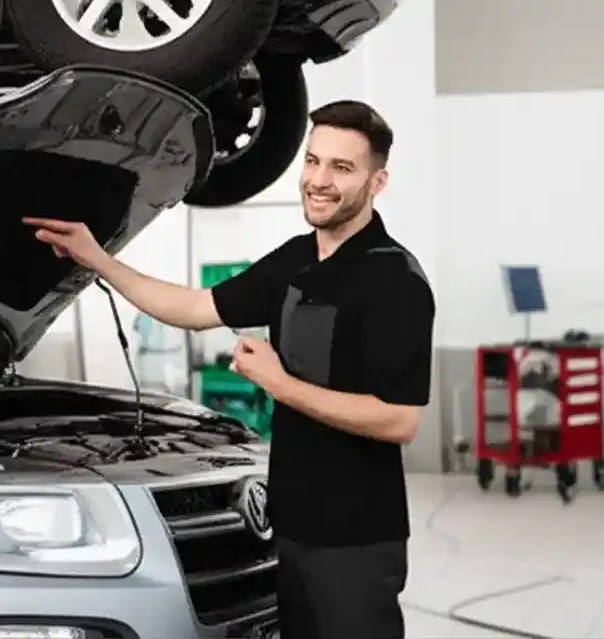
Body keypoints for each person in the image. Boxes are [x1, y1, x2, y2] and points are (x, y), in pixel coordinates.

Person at [23, 100, 435, 639]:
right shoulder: (296, 259)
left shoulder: (396, 279)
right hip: (288, 529)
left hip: (355, 540)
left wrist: (280, 385)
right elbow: (195, 308)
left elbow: (399, 420)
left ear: (377, 181)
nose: (318, 180)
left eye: (341, 167)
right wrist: (97, 257)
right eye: (312, 162)